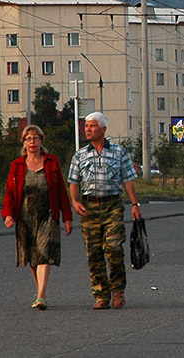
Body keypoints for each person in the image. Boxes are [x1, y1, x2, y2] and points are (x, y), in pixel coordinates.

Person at [68, 112, 141, 310]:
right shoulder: (80, 154)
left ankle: (118, 291)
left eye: (92, 126)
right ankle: (101, 295)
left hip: (112, 206)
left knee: (114, 247)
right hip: (89, 207)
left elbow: (128, 179)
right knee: (93, 253)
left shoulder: (118, 152)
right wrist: (74, 201)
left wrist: (135, 204)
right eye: (86, 126)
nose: (88, 129)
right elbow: (74, 181)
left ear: (103, 129)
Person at [1, 125, 73, 310]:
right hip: (25, 215)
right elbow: (10, 192)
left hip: (48, 213)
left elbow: (61, 191)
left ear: (42, 141)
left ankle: (41, 295)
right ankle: (41, 292)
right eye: (28, 139)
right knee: (32, 257)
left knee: (44, 253)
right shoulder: (17, 165)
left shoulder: (52, 162)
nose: (32, 142)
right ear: (24, 143)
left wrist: (67, 217)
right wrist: (8, 214)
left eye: (35, 138)